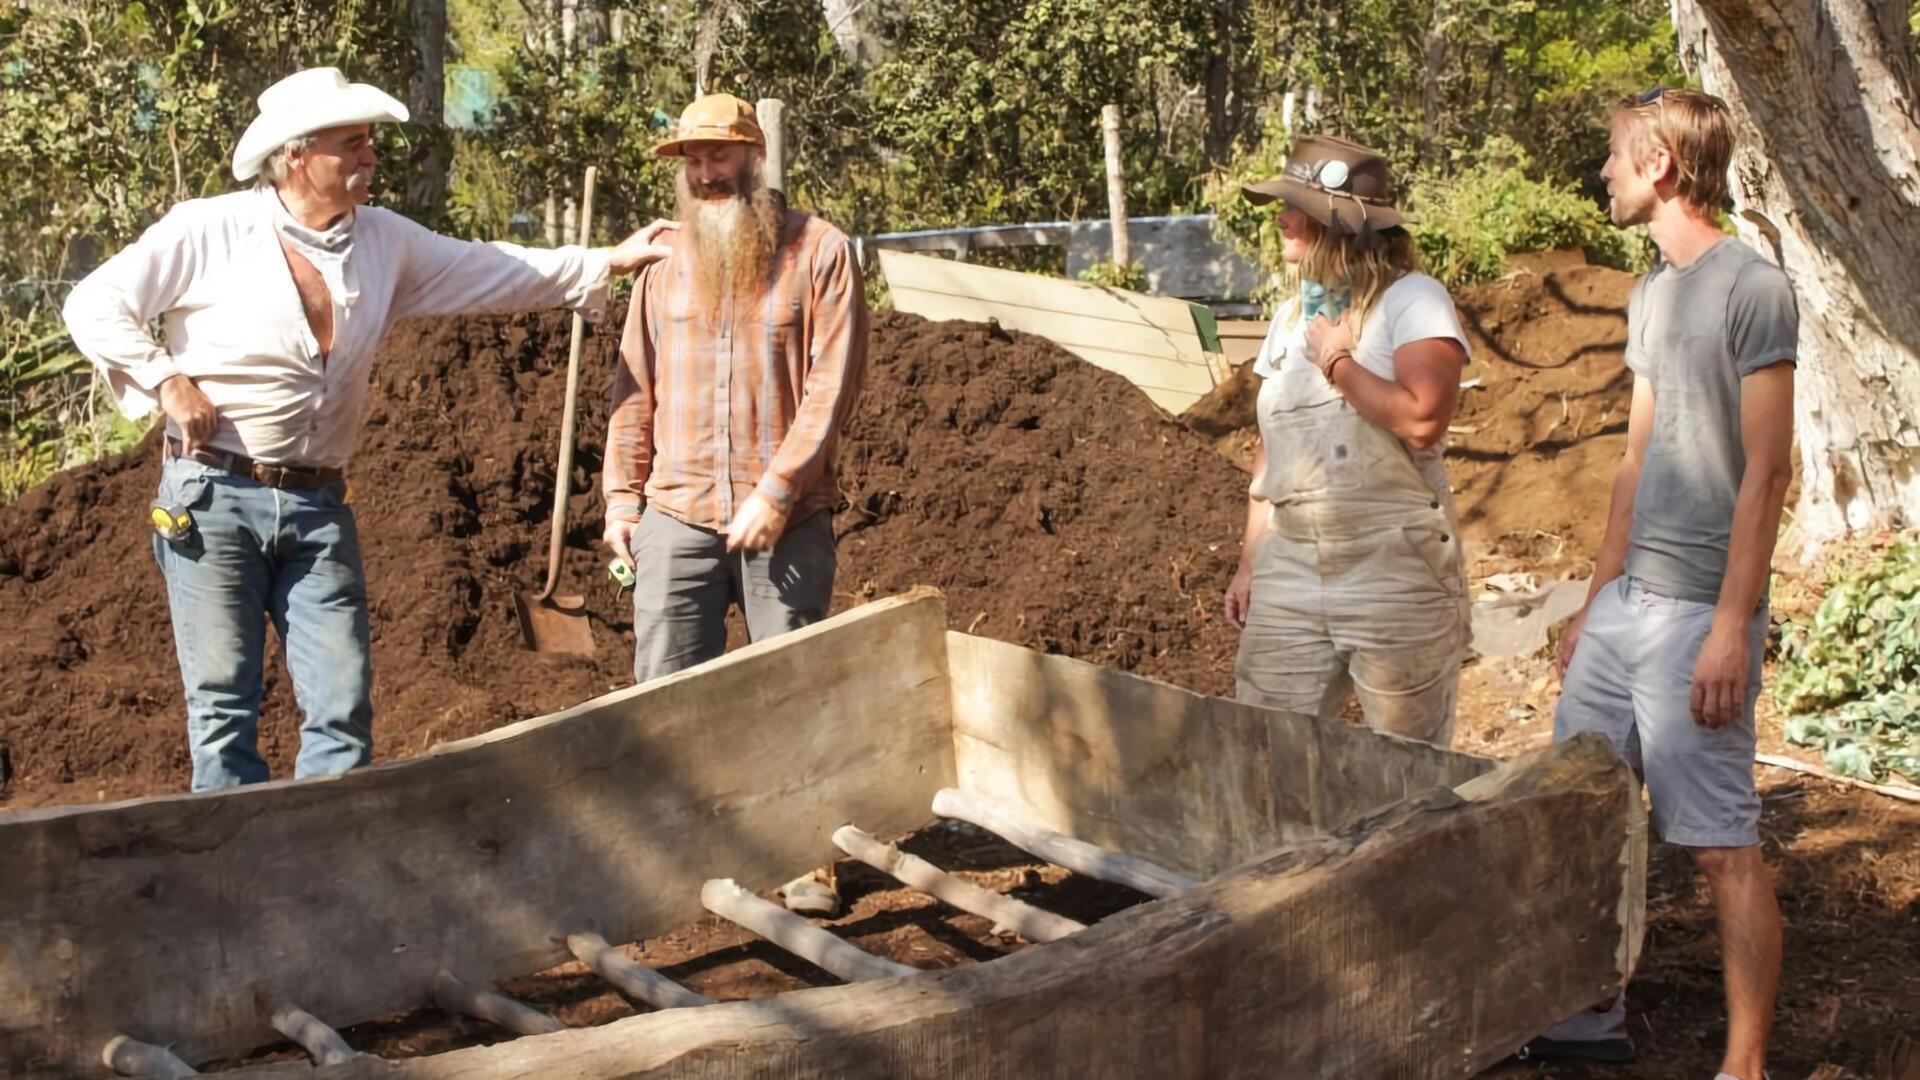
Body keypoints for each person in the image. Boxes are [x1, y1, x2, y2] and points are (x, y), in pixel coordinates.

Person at [62, 68, 674, 791]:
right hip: (213, 496)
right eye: (352, 145)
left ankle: (332, 872)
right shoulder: (211, 229)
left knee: (341, 704)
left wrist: (606, 259)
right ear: (297, 155)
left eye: (369, 144)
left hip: (319, 506)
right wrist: (167, 380)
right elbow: (93, 303)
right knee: (225, 704)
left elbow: (493, 267)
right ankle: (231, 885)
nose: (370, 159)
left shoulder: (383, 242)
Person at [1524, 89, 1794, 1080]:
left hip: (1697, 618)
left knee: (1719, 848)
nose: (1602, 173)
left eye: (1613, 158)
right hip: (1630, 605)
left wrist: (1733, 628)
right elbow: (1634, 464)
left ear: (1661, 167)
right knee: (1581, 813)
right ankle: (1588, 1012)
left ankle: (1745, 1063)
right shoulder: (1652, 295)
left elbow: (1768, 473)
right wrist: (1592, 603)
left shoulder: (1752, 289)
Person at [602, 93, 869, 686]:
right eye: (692, 161)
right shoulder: (662, 262)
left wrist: (776, 492)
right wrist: (622, 502)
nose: (704, 175)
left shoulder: (820, 252)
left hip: (788, 521)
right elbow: (634, 388)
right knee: (664, 709)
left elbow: (833, 388)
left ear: (755, 154)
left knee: (790, 699)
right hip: (676, 516)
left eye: (718, 157)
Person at [1224, 135, 1473, 746]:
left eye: (1297, 209)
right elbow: (1274, 445)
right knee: (1265, 751)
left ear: (1342, 226)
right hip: (1292, 564)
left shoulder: (1412, 301)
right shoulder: (1288, 320)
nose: (1280, 218)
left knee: (1412, 768)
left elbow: (1422, 420)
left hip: (1395, 567)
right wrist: (1251, 561)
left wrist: (1340, 363)